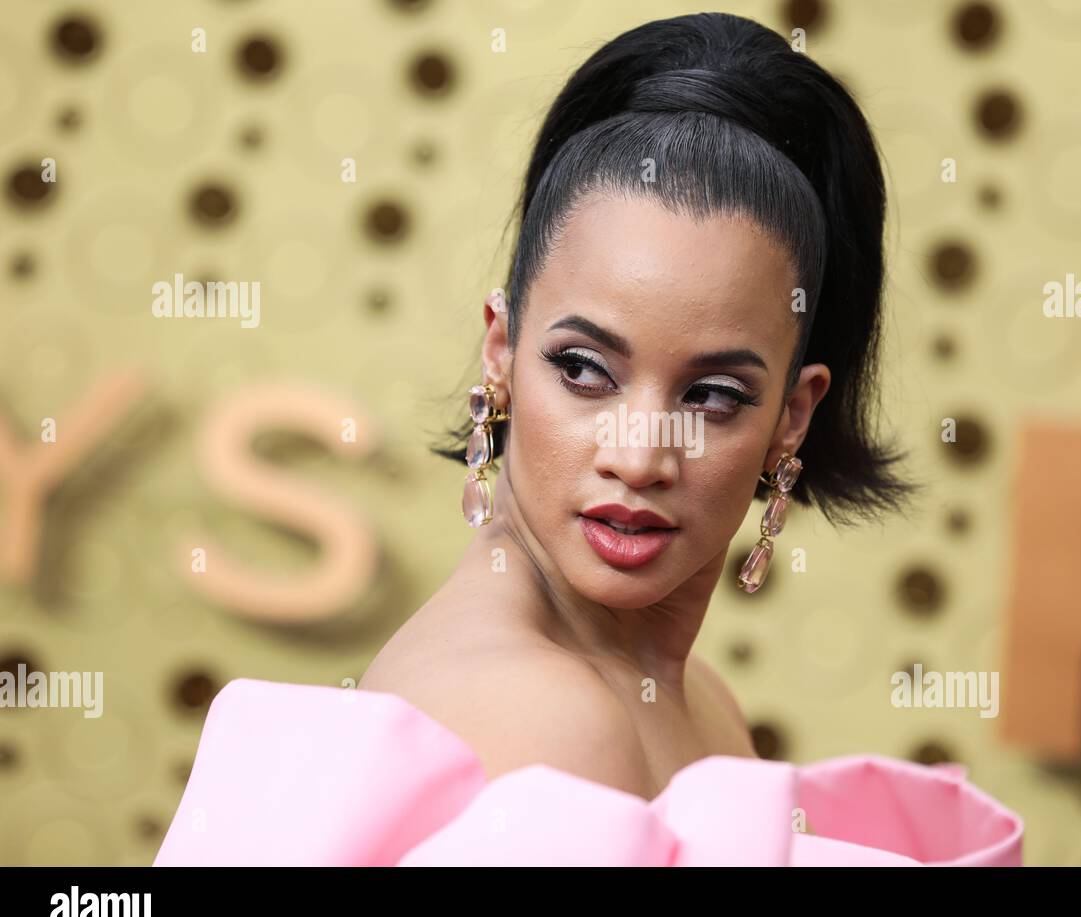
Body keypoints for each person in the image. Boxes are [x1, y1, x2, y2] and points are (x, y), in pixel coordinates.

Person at [155, 11, 1023, 866]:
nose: (639, 457)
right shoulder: (543, 723)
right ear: (499, 351)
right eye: (582, 369)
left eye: (714, 395)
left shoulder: (700, 705)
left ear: (792, 416)